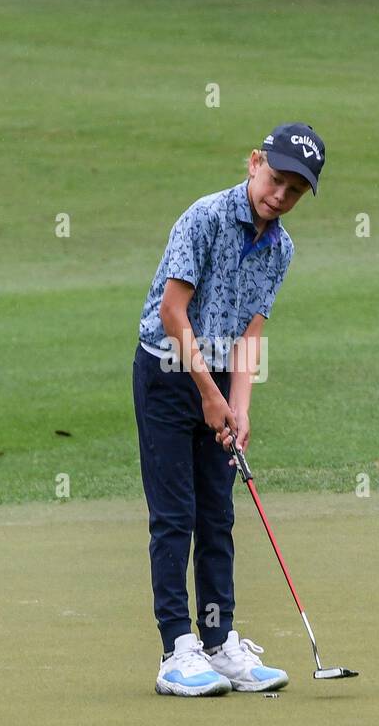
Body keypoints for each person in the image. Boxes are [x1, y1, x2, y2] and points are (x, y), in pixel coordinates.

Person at [133, 123, 324, 695]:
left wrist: (238, 409)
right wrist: (210, 396)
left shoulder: (281, 247)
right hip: (168, 371)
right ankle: (176, 653)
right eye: (276, 179)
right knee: (176, 515)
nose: (280, 195)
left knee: (217, 515)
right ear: (253, 163)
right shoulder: (205, 218)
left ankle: (218, 645)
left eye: (294, 191)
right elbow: (173, 313)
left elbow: (250, 334)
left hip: (218, 373)